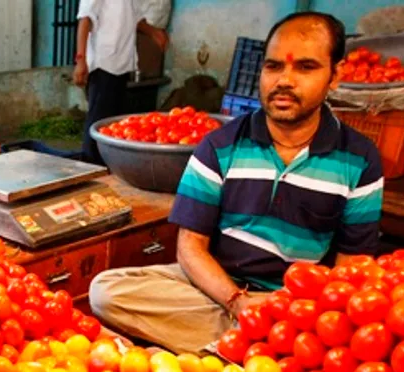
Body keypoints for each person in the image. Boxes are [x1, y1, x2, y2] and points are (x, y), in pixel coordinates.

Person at [89, 11, 384, 353]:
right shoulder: (220, 145)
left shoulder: (359, 159)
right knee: (106, 291)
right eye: (273, 66)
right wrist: (236, 302)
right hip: (215, 289)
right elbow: (190, 247)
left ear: (335, 75)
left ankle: (235, 346)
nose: (284, 80)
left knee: (339, 332)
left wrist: (293, 314)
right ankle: (254, 348)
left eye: (305, 67)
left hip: (291, 306)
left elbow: (350, 272)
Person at [74, 0, 169, 164]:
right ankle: (89, 167)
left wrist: (153, 33)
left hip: (122, 65)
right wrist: (81, 61)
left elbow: (135, 18)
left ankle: (106, 165)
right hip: (104, 64)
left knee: (112, 123)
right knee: (97, 122)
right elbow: (85, 19)